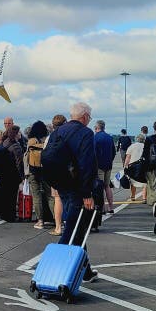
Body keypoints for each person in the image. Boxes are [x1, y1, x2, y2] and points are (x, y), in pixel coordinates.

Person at [53, 102, 99, 283]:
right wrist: (87, 193)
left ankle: (85, 270)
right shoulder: (85, 133)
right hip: (78, 188)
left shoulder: (59, 131)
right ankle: (54, 268)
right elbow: (86, 164)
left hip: (62, 185)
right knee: (73, 229)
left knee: (78, 227)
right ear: (85, 116)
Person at [0, 129, 21, 222]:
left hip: (1, 173)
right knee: (12, 196)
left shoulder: (0, 147)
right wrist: (21, 176)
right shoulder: (14, 146)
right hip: (11, 173)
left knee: (4, 194)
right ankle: (11, 215)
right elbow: (18, 162)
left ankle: (5, 214)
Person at [26, 121, 51, 229]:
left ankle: (40, 220)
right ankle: (56, 219)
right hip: (45, 170)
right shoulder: (47, 140)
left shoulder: (31, 141)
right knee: (50, 195)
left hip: (33, 170)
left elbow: (26, 157)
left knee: (36, 196)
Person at [94, 120, 115, 215]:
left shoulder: (95, 138)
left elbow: (93, 153)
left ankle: (102, 208)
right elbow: (113, 152)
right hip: (108, 165)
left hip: (99, 166)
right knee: (107, 186)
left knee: (100, 187)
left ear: (96, 128)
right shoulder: (110, 138)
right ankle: (111, 207)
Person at [124, 133, 147, 202]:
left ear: (136, 139)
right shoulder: (146, 146)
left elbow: (128, 157)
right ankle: (144, 198)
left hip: (133, 166)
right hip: (143, 166)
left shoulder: (132, 146)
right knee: (145, 182)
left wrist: (125, 166)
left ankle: (133, 196)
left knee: (133, 181)